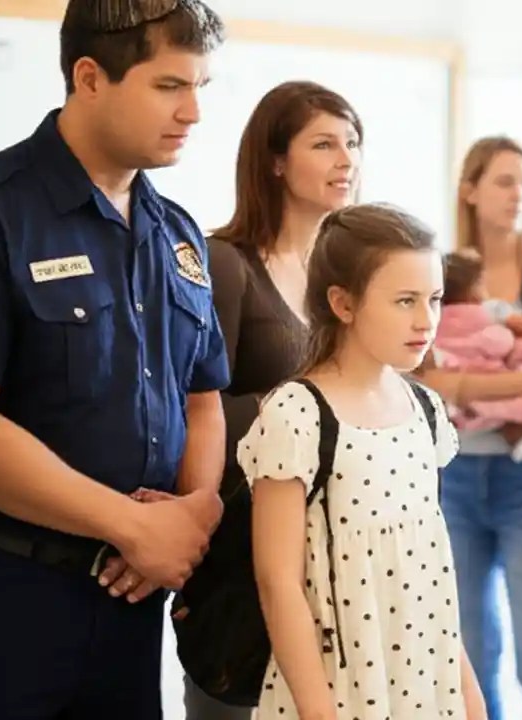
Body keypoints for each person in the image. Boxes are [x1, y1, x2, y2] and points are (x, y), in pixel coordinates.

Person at [0, 1, 228, 717]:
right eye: (168, 86)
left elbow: (202, 396)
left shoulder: (177, 234)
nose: (192, 112)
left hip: (128, 603)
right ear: (90, 77)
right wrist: (129, 525)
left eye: (200, 88)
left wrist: (194, 510)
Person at [239, 203, 485, 719]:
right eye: (404, 301)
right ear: (343, 304)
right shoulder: (298, 414)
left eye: (435, 299)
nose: (427, 320)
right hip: (337, 689)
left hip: (425, 683)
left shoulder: (425, 410)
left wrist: (467, 691)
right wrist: (319, 712)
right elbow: (277, 580)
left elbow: (430, 575)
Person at [181, 79, 362, 718]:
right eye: (324, 144)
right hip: (242, 547)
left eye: (352, 142)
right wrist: (289, 409)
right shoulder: (225, 263)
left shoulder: (347, 273)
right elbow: (190, 408)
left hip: (336, 547)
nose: (347, 160)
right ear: (276, 160)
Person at [415, 136, 522, 720]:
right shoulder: (436, 271)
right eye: (505, 181)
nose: (519, 194)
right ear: (470, 189)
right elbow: (423, 379)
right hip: (455, 479)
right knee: (470, 659)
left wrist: (467, 387)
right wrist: (519, 381)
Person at [435, 249, 522, 462]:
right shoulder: (489, 310)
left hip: (461, 393)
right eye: (481, 283)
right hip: (493, 370)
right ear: (474, 287)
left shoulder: (436, 317)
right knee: (517, 412)